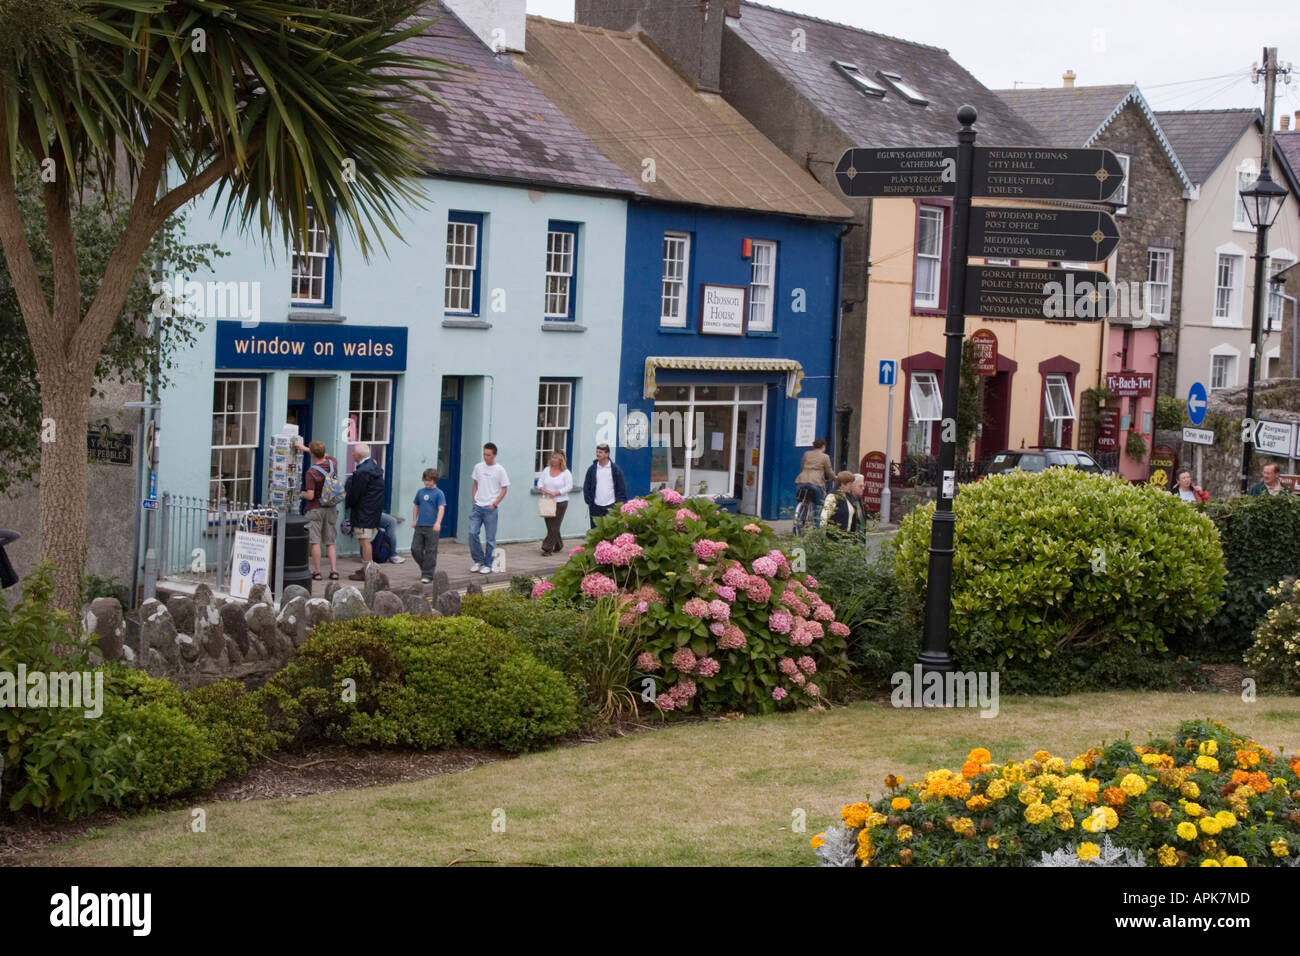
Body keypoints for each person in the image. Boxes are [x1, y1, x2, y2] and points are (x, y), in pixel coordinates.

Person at [296, 439, 340, 581]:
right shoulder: (333, 462)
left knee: (315, 542)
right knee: (330, 542)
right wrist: (308, 449)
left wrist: (300, 493)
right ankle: (334, 571)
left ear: (312, 455)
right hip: (331, 507)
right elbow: (324, 455)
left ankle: (317, 572)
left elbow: (310, 495)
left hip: (315, 509)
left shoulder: (311, 472)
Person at [344, 442, 386, 581]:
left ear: (359, 455)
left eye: (353, 452)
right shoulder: (374, 468)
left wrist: (349, 503)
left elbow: (356, 494)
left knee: (364, 541)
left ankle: (367, 571)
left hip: (364, 511)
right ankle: (367, 569)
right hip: (373, 511)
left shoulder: (363, 472)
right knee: (366, 540)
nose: (352, 454)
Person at [469, 442, 509, 574]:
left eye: (488, 455)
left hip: (490, 508)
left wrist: (495, 503)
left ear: (494, 455)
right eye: (484, 454)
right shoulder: (478, 467)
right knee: (472, 533)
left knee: (490, 539)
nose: (485, 457)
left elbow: (504, 489)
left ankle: (488, 564)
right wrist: (474, 499)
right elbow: (475, 483)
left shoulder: (500, 470)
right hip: (478, 506)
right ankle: (478, 560)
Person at [411, 468, 445, 584]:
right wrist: (414, 520)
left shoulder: (439, 493)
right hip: (420, 525)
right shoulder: (420, 492)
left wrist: (438, 523)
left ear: (435, 480)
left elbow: (441, 509)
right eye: (426, 480)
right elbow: (416, 506)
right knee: (415, 549)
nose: (427, 483)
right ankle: (426, 567)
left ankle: (427, 575)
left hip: (432, 527)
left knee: (431, 550)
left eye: (430, 480)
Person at [536, 451, 573, 555]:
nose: (553, 460)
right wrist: (542, 488)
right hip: (548, 501)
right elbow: (540, 482)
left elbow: (569, 487)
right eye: (552, 457)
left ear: (561, 460)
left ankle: (547, 548)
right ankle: (558, 544)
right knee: (550, 526)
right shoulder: (546, 470)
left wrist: (557, 492)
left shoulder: (566, 473)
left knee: (554, 526)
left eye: (556, 458)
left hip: (561, 502)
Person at [583, 442, 627, 527]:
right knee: (595, 531)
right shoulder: (592, 469)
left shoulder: (615, 470)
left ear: (607, 454)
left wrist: (618, 504)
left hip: (611, 506)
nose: (598, 454)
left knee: (610, 532)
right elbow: (586, 486)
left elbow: (622, 488)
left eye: (600, 452)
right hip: (595, 507)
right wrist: (589, 502)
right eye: (597, 452)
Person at [795, 437, 835, 510]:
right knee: (821, 504)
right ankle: (818, 521)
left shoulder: (806, 454)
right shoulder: (825, 457)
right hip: (816, 482)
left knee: (803, 499)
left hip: (801, 480)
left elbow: (802, 466)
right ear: (823, 446)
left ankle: (801, 518)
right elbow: (829, 472)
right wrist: (835, 478)